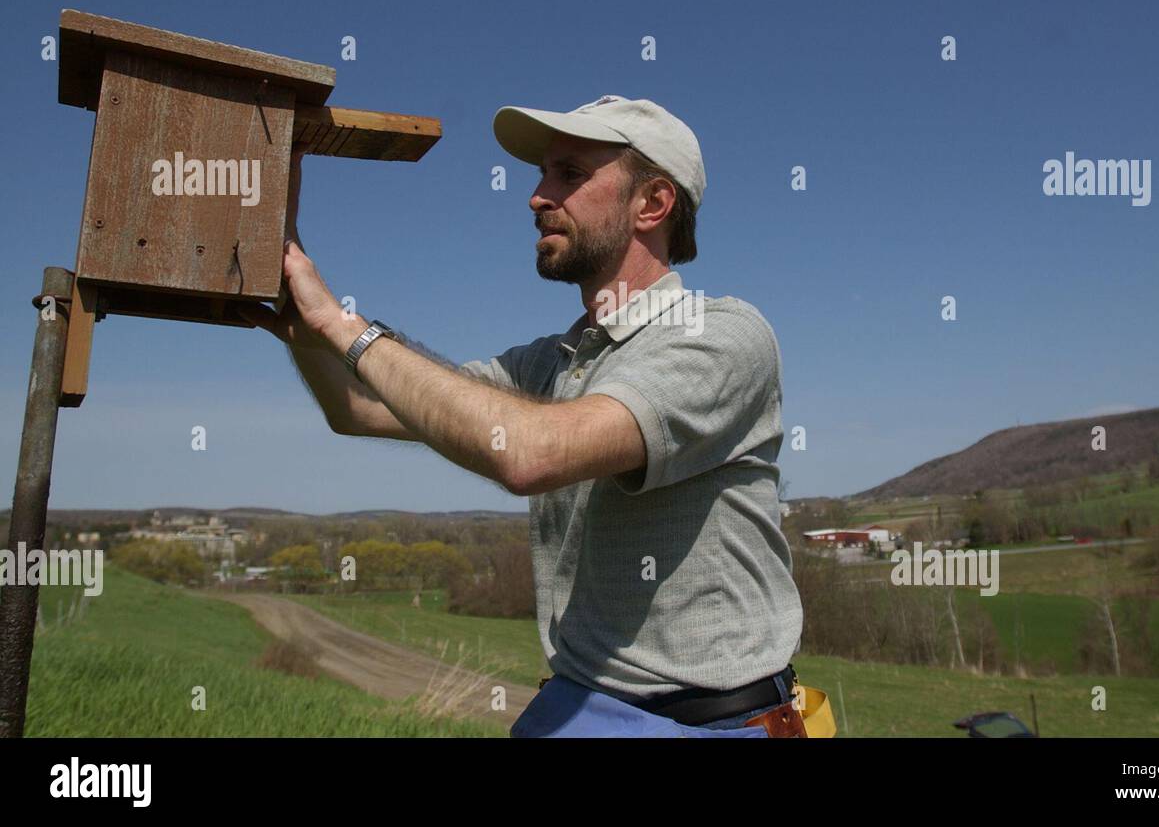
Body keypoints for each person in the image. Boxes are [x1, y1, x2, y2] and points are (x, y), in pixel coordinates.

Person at [242, 94, 805, 737]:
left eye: (569, 174)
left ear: (652, 203)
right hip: (579, 706)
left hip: (709, 724)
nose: (536, 196)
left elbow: (531, 453)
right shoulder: (549, 363)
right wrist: (302, 312)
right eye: (543, 174)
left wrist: (344, 328)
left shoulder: (721, 336)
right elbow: (362, 407)